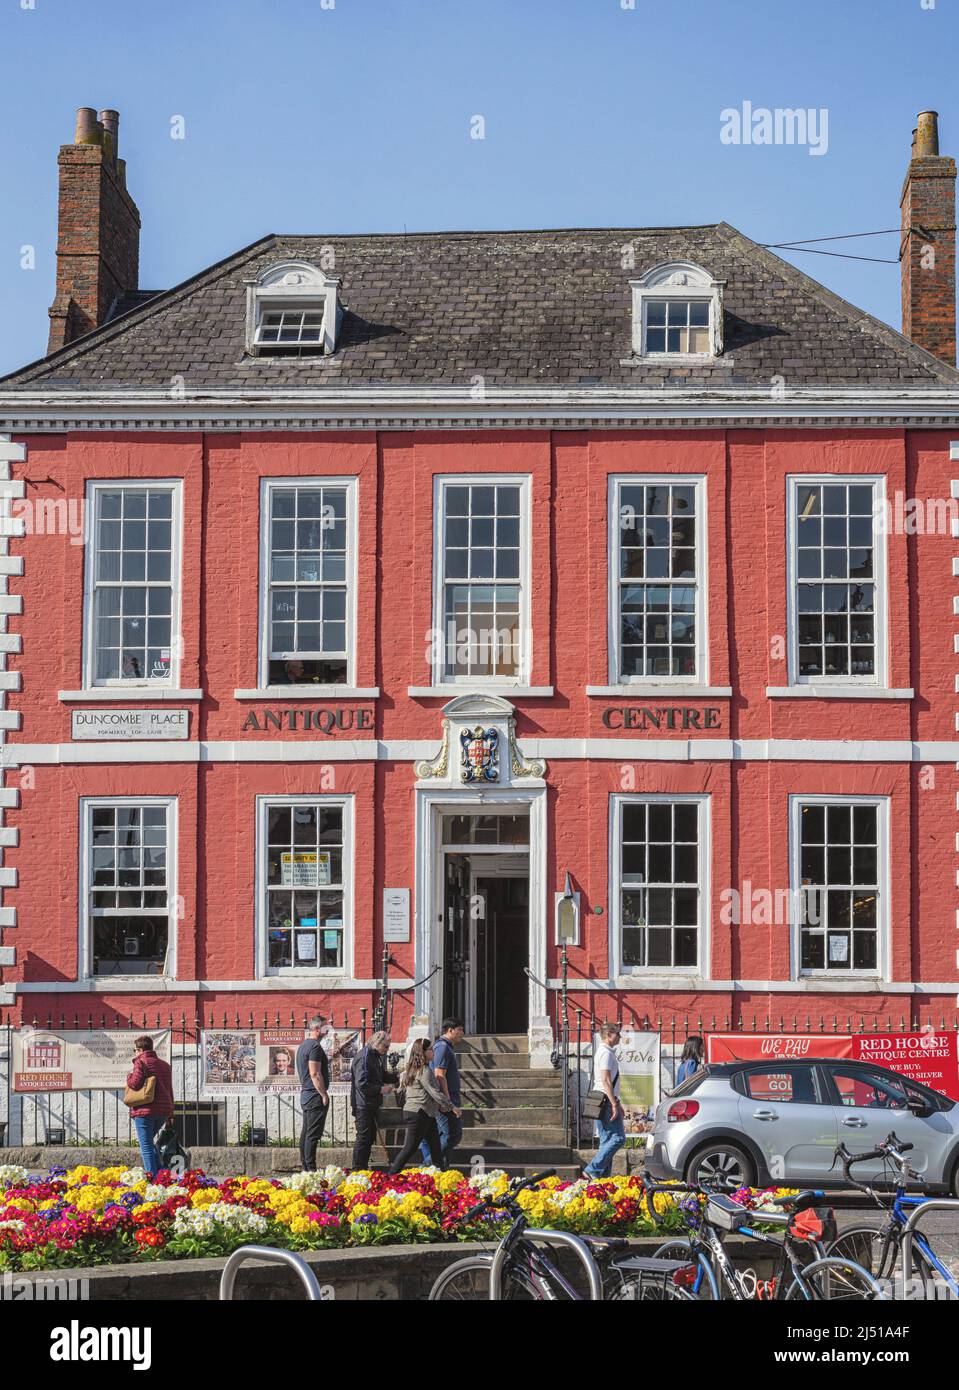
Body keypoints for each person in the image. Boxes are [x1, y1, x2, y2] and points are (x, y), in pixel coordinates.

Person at [388, 1039, 450, 1173]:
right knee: (410, 1147)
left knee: (435, 1147)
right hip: (418, 1112)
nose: (433, 1052)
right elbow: (434, 1092)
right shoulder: (424, 1070)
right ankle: (391, 1175)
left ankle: (441, 1174)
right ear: (422, 1052)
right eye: (430, 1049)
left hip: (426, 1112)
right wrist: (451, 1106)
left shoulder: (416, 1069)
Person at [419, 1017, 465, 1168]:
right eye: (459, 1030)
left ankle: (440, 1168)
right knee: (451, 1135)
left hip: (447, 1099)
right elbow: (439, 1074)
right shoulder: (443, 1047)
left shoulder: (446, 1047)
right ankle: (425, 1166)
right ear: (450, 1030)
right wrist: (447, 1101)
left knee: (444, 1136)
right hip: (445, 1101)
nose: (462, 1033)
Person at [126, 1035, 175, 1179]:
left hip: (145, 1110)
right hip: (163, 1111)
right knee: (149, 1143)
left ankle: (153, 1178)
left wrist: (128, 1076)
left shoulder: (140, 1063)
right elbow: (169, 1089)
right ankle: (161, 1173)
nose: (135, 1052)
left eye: (135, 1050)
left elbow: (134, 1084)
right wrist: (171, 1113)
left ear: (140, 1049)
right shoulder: (165, 1065)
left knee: (146, 1146)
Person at [350, 1030, 399, 1170]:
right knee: (363, 1138)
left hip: (372, 1103)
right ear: (377, 1043)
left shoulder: (376, 1056)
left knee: (369, 1138)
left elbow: (382, 1075)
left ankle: (363, 1167)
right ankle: (357, 1170)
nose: (388, 1049)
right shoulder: (364, 1056)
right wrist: (380, 1089)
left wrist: (397, 1077)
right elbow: (361, 1083)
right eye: (386, 1046)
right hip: (363, 1104)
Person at [583, 1021, 625, 1180]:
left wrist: (617, 1103)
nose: (620, 1037)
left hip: (603, 1099)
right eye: (618, 1034)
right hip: (606, 1100)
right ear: (609, 1035)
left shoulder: (602, 1051)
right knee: (618, 1138)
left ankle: (602, 1180)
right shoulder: (606, 1053)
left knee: (606, 1141)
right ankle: (593, 1169)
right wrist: (614, 1103)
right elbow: (606, 1080)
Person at [296, 1016, 331, 1171]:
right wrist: (323, 1095)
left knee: (306, 1132)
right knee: (312, 1135)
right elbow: (315, 1074)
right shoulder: (315, 1047)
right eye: (325, 1027)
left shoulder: (304, 1045)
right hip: (314, 1096)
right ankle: (310, 1169)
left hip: (307, 1095)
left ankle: (306, 1167)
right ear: (317, 1029)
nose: (328, 1030)